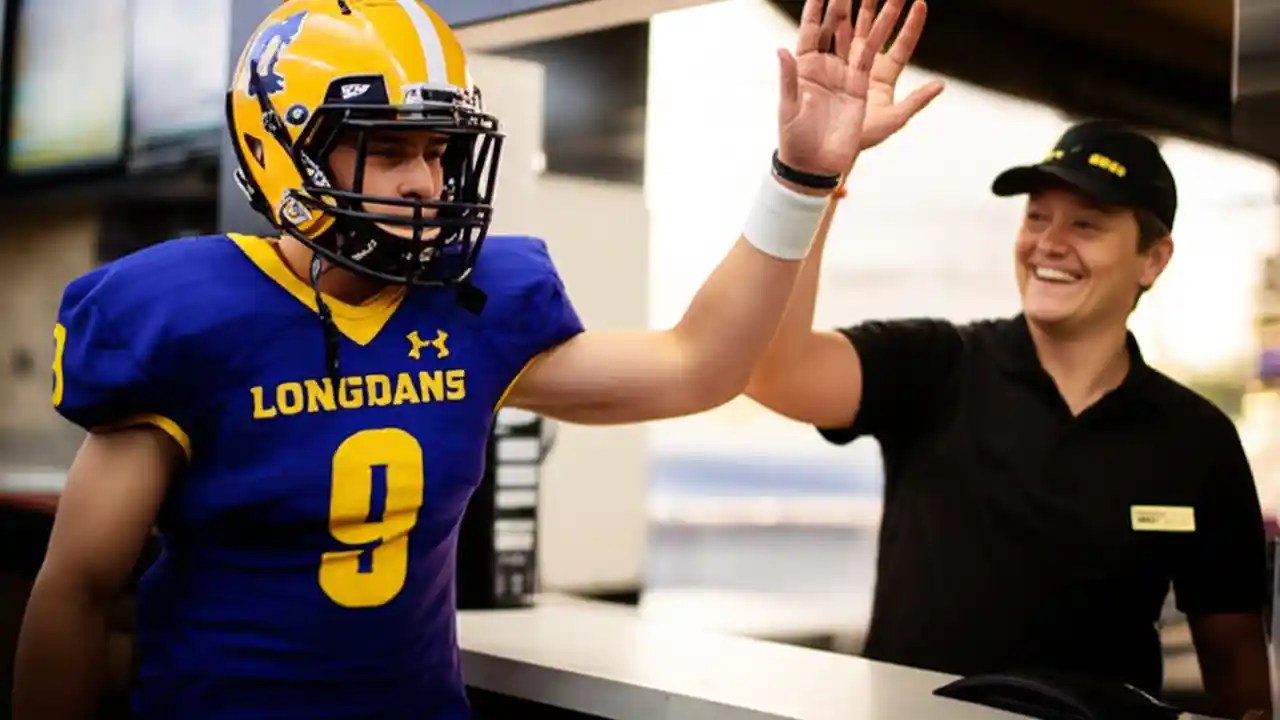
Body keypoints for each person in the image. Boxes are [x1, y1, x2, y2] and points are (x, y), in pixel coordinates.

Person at [10, 0, 939, 718]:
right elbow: (77, 589)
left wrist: (802, 177)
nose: (423, 180)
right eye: (388, 151)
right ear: (279, 149)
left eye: (438, 150)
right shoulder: (187, 314)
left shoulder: (474, 304)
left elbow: (699, 366)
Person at [745, 105, 1273, 716]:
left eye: (1087, 224)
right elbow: (772, 372)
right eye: (1037, 217)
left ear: (1153, 259)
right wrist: (814, 183)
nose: (1049, 242)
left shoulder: (1196, 441)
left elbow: (1236, 668)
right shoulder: (934, 365)